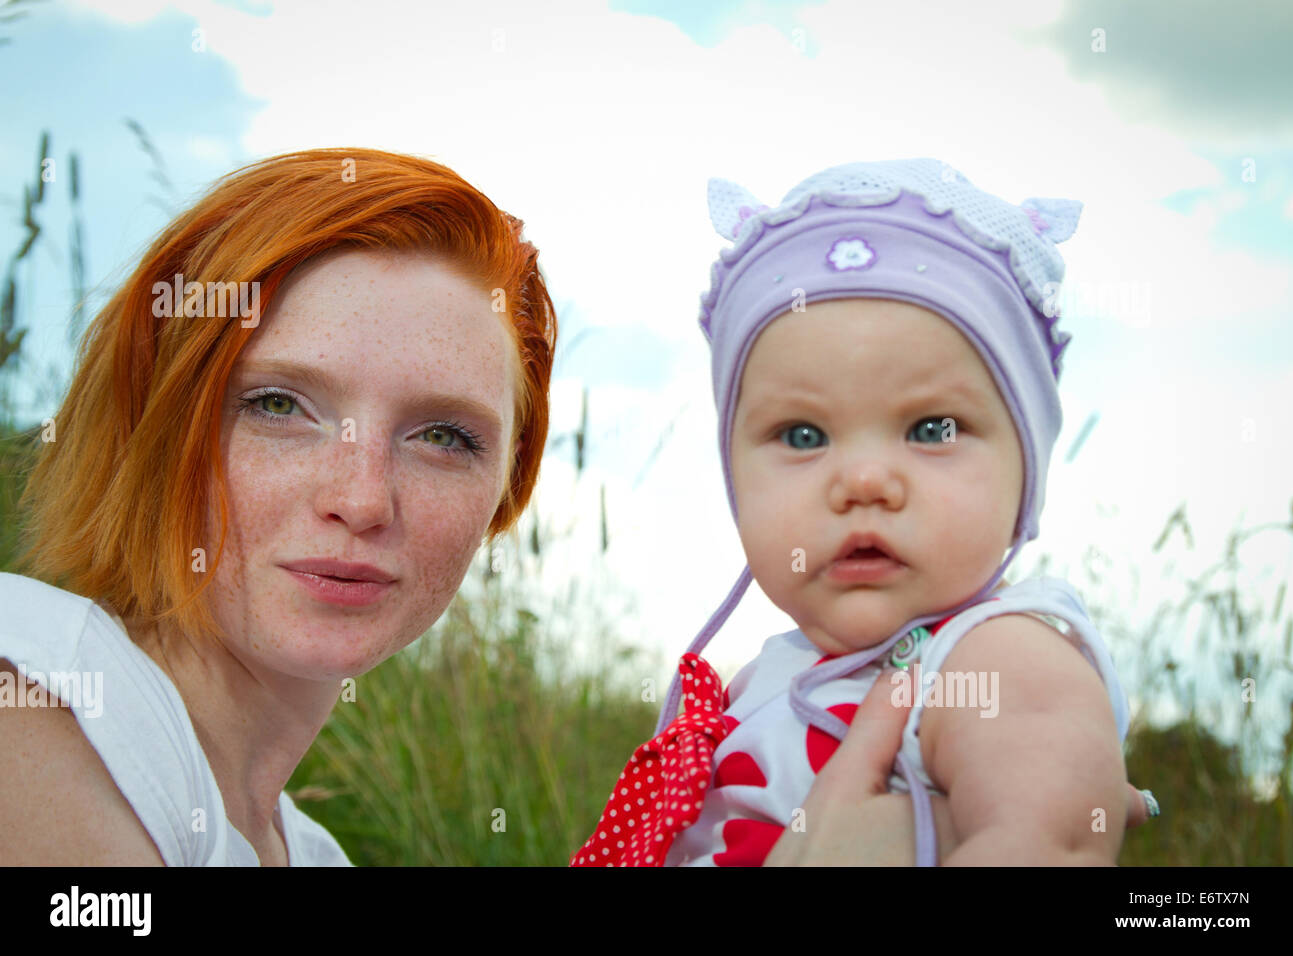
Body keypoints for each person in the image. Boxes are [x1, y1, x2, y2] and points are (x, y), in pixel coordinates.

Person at [572, 159, 1156, 867]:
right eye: (803, 436)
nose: (864, 481)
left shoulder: (993, 659)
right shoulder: (761, 678)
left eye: (932, 429)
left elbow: (1044, 847)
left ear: (1024, 474)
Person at [0, 147, 557, 865]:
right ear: (156, 425)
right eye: (277, 405)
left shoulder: (315, 855)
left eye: (443, 437)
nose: (360, 500)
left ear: (505, 494)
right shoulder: (38, 687)